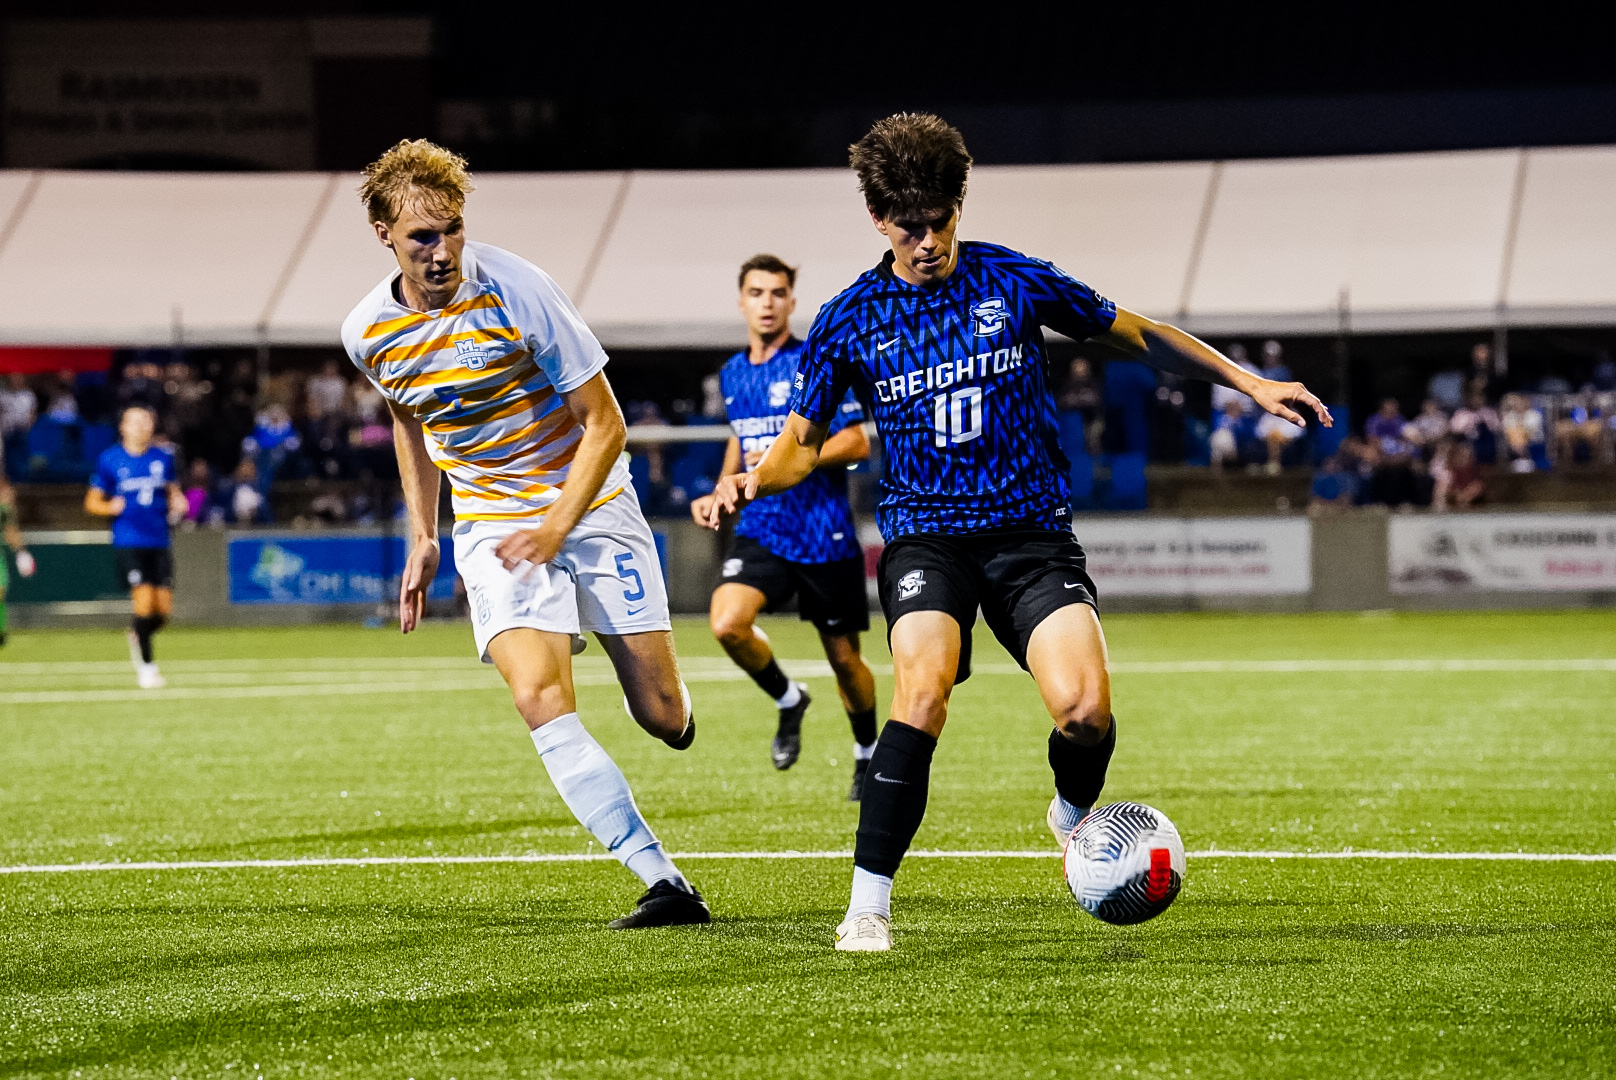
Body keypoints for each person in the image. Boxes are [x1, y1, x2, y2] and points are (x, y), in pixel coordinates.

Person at [705, 113, 1331, 952]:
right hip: (926, 537)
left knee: (1085, 713)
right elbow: (801, 447)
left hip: (1031, 537)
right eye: (908, 226)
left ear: (959, 204)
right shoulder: (850, 318)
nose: (927, 241)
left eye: (941, 220)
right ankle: (868, 904)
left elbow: (1139, 333)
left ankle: (1071, 814)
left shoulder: (1013, 279)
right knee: (921, 691)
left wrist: (1246, 382)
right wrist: (748, 479)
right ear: (879, 221)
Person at [341, 139, 709, 930]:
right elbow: (412, 419)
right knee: (537, 695)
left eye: (452, 231)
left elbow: (606, 424)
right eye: (421, 238)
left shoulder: (518, 288)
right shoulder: (368, 331)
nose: (442, 252)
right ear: (384, 235)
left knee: (663, 716)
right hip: (492, 521)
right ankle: (663, 881)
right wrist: (424, 532)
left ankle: (663, 701)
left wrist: (557, 523)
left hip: (592, 499)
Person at [689, 254, 879, 798]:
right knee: (727, 623)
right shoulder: (731, 373)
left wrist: (787, 462)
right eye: (756, 293)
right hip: (764, 527)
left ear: (792, 302)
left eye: (777, 293)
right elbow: (740, 435)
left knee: (844, 660)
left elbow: (855, 442)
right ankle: (788, 699)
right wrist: (724, 487)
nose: (767, 303)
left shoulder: (813, 362)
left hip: (823, 532)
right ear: (742, 300)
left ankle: (865, 752)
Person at [84, 405, 185, 688]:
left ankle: (138, 634)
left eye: (146, 421)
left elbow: (173, 491)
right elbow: (91, 502)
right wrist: (109, 506)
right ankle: (147, 668)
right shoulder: (110, 460)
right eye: (135, 421)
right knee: (143, 601)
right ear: (123, 427)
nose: (142, 426)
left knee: (162, 611)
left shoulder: (162, 458)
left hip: (159, 539)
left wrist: (179, 501)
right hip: (129, 540)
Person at [1, 477, 37, 646]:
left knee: (0, 590)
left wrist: (21, 552)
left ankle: (1, 633)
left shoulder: (5, 504)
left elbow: (10, 529)